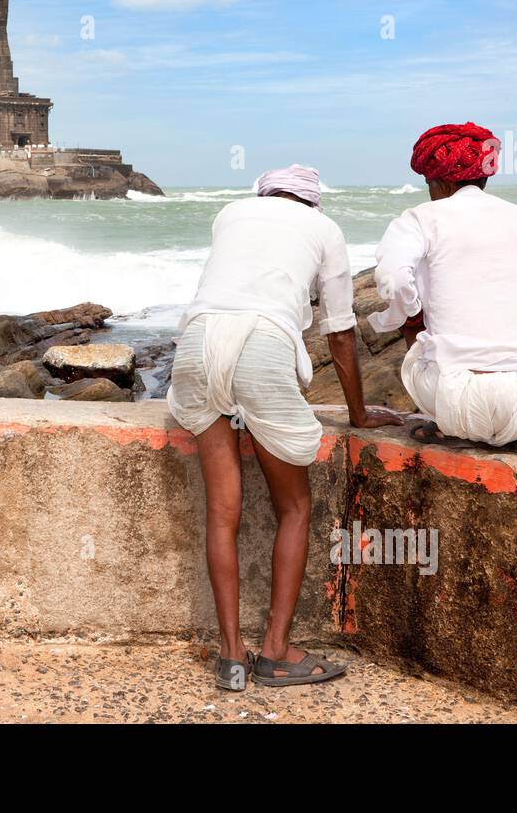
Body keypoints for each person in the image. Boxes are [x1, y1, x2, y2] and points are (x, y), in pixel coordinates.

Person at [167, 164, 402, 691]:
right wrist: (359, 413)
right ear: (312, 204)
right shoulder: (325, 229)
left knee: (221, 511)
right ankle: (275, 652)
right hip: (264, 347)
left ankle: (231, 658)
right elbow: (339, 331)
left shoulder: (231, 213)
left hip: (197, 344)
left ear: (265, 193)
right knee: (293, 508)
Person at [368, 123, 517, 453]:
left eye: (429, 184)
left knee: (413, 323)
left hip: (454, 400)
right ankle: (514, 432)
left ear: (442, 181)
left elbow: (393, 279)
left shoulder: (421, 218)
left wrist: (408, 316)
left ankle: (448, 427)